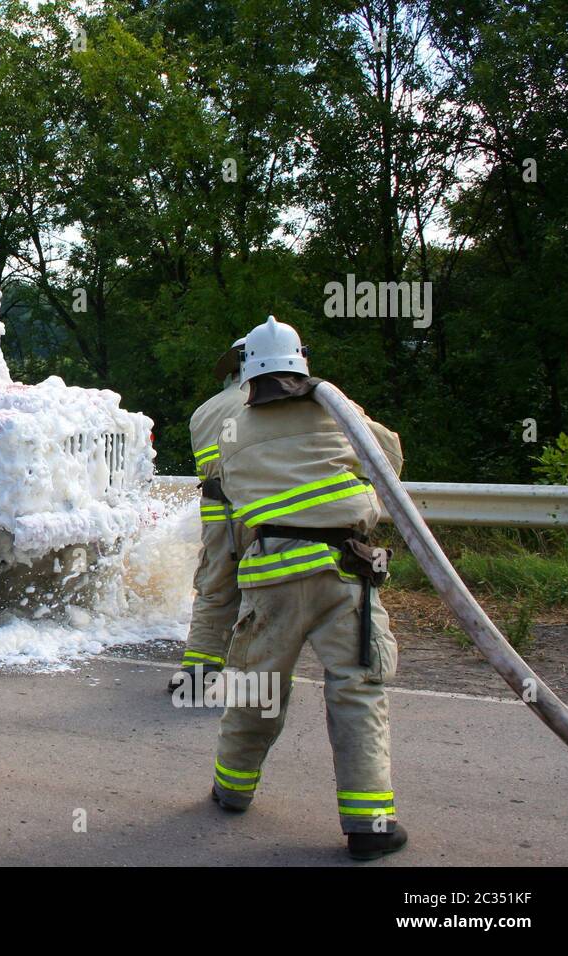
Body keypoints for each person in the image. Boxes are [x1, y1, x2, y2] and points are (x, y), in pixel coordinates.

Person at [209, 316, 407, 861]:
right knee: (358, 689)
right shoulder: (338, 413)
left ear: (248, 373)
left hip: (271, 577)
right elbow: (389, 462)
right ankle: (370, 827)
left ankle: (232, 790)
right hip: (346, 574)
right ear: (303, 361)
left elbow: (229, 495)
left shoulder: (235, 430)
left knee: (256, 690)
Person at [169, 338, 252, 697]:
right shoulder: (290, 401)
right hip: (268, 512)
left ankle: (199, 672)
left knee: (214, 589)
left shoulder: (203, 412)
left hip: (219, 518)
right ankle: (255, 677)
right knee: (267, 592)